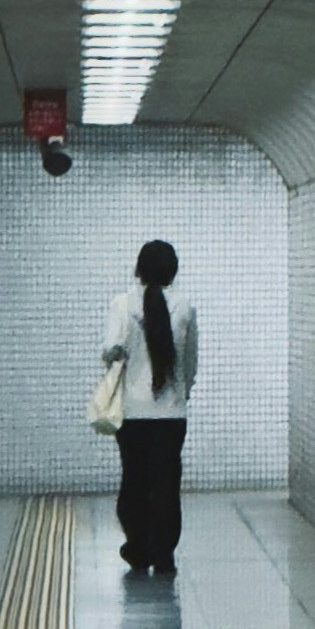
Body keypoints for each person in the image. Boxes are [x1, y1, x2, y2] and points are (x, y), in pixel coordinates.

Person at [102, 238, 197, 576]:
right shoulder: (184, 306)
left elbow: (109, 352)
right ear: (172, 271)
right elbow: (190, 363)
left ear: (139, 268)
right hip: (171, 414)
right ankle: (164, 553)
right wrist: (180, 393)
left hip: (132, 411)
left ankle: (137, 547)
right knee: (166, 482)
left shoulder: (121, 304)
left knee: (134, 479)